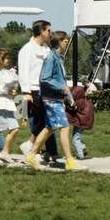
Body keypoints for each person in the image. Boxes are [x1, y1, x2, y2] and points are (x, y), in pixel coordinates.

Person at [25, 31, 86, 170]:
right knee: (64, 127)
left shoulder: (58, 58)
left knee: (50, 128)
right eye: (65, 41)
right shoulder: (51, 58)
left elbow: (62, 82)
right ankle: (69, 160)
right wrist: (62, 89)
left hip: (56, 98)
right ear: (59, 42)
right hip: (51, 99)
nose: (67, 43)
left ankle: (31, 155)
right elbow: (45, 79)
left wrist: (68, 97)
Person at [18, 20, 52, 162]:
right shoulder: (27, 49)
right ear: (41, 31)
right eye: (48, 30)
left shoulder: (46, 49)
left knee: (46, 121)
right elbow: (23, 70)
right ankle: (32, 148)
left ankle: (34, 148)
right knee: (38, 122)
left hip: (45, 89)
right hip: (33, 89)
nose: (50, 33)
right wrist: (26, 92)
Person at [69, 78, 95, 159]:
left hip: (81, 121)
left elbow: (72, 109)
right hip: (86, 121)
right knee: (77, 136)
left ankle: (80, 155)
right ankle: (83, 148)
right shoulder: (85, 101)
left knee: (74, 139)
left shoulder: (78, 102)